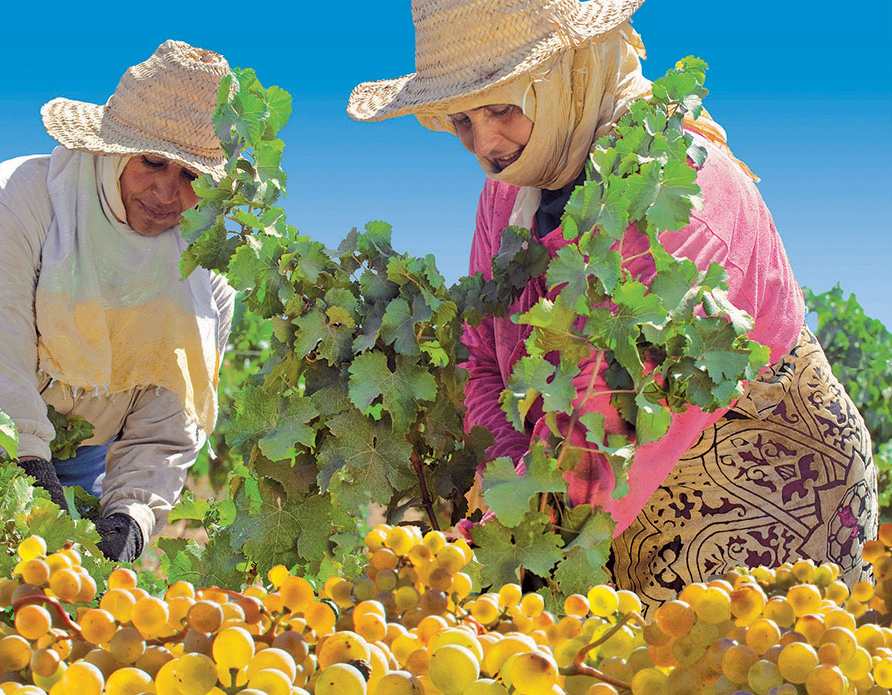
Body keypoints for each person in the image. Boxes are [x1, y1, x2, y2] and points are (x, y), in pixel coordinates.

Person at [348, 0, 878, 606]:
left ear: (576, 71)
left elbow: (611, 437)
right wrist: (509, 489)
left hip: (764, 495)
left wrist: (474, 556)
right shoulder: (512, 190)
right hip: (590, 508)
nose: (485, 144)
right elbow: (483, 356)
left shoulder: (676, 191)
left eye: (501, 107)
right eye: (462, 121)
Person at [0, 40, 236, 563]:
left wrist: (130, 518)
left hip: (77, 457)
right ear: (113, 149)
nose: (167, 193)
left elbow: (169, 422)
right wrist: (28, 466)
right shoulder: (13, 201)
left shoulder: (207, 278)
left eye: (190, 176)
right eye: (153, 162)